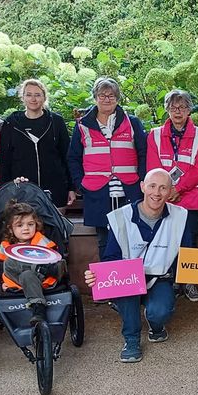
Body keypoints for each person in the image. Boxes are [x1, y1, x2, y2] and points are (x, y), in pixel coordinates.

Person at [83, 169, 198, 362]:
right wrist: (97, 276)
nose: (156, 193)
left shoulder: (180, 216)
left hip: (160, 278)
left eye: (163, 188)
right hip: (129, 279)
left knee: (160, 312)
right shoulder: (120, 217)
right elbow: (111, 257)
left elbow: (186, 256)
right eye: (152, 186)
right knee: (128, 293)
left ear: (170, 192)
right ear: (142, 186)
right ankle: (132, 339)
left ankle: (156, 325)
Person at [68, 77, 148, 259]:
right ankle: (111, 284)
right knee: (104, 240)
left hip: (129, 189)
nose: (106, 99)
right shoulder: (82, 125)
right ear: (95, 97)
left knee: (133, 238)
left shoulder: (132, 122)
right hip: (97, 191)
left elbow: (144, 153)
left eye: (111, 95)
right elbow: (73, 157)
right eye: (102, 95)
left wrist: (143, 181)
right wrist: (80, 184)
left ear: (117, 98)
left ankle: (132, 284)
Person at [147, 89, 198, 301]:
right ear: (166, 110)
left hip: (189, 198)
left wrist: (178, 188)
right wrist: (165, 191)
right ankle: (172, 281)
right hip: (162, 197)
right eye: (173, 107)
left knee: (188, 239)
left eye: (182, 107)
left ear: (189, 109)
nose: (177, 111)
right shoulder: (154, 135)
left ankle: (190, 283)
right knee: (165, 240)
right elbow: (153, 168)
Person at [0, 78, 74, 208]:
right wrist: (5, 190)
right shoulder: (11, 123)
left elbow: (67, 156)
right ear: (23, 98)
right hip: (22, 189)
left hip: (55, 188)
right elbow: (5, 160)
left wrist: (71, 187)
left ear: (44, 97)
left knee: (55, 227)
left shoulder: (56, 122)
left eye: (37, 95)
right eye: (29, 95)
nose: (33, 99)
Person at [0, 201, 65, 322]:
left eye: (30, 224)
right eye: (20, 225)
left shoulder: (41, 241)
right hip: (18, 279)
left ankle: (38, 308)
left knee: (31, 272)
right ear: (11, 229)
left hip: (41, 277)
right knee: (10, 263)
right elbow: (2, 266)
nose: (26, 228)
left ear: (36, 225)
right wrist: (0, 282)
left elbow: (52, 257)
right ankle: (38, 268)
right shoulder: (6, 246)